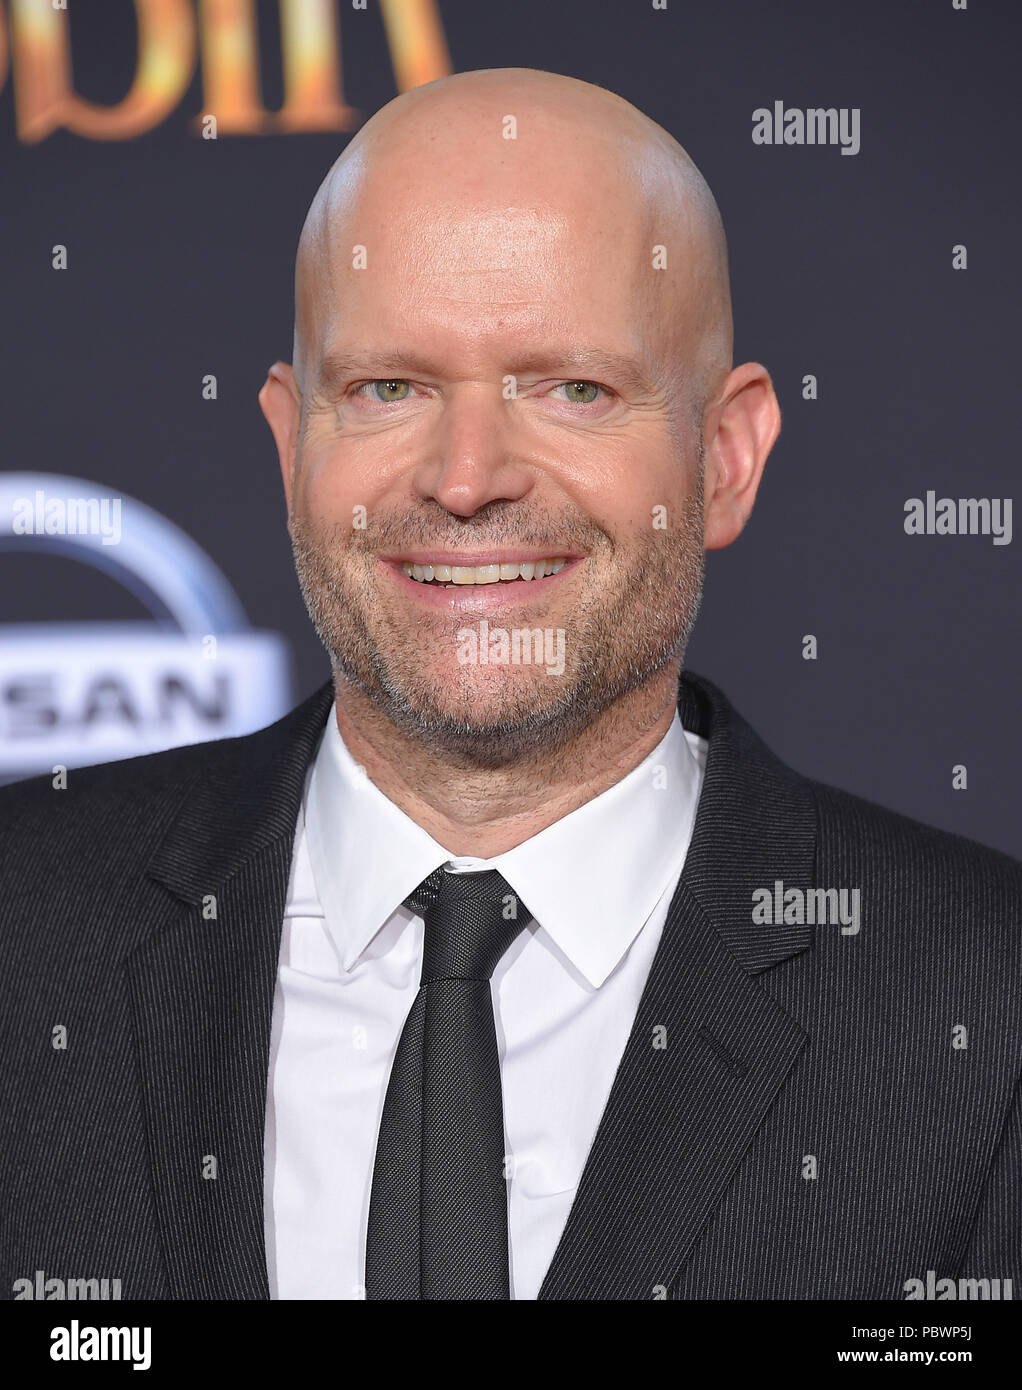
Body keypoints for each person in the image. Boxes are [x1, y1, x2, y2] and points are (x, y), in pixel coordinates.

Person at [2, 68, 1019, 1303]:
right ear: (290, 446)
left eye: (571, 388)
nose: (468, 476)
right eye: (388, 389)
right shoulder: (23, 934)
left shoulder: (984, 1004)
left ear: (725, 454)